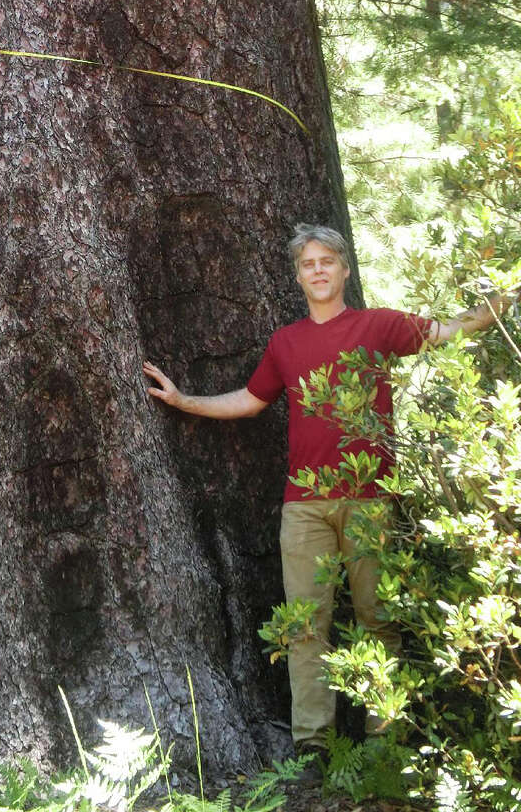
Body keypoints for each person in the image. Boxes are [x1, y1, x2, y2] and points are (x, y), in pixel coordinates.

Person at [142, 223, 515, 775]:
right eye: (307, 264)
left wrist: (504, 296)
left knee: (378, 620)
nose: (317, 270)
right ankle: (314, 749)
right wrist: (183, 400)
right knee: (305, 626)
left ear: (344, 269)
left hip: (371, 502)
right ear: (299, 277)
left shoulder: (379, 325)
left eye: (326, 261)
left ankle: (385, 748)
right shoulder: (285, 343)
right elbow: (249, 400)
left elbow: (451, 329)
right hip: (305, 506)